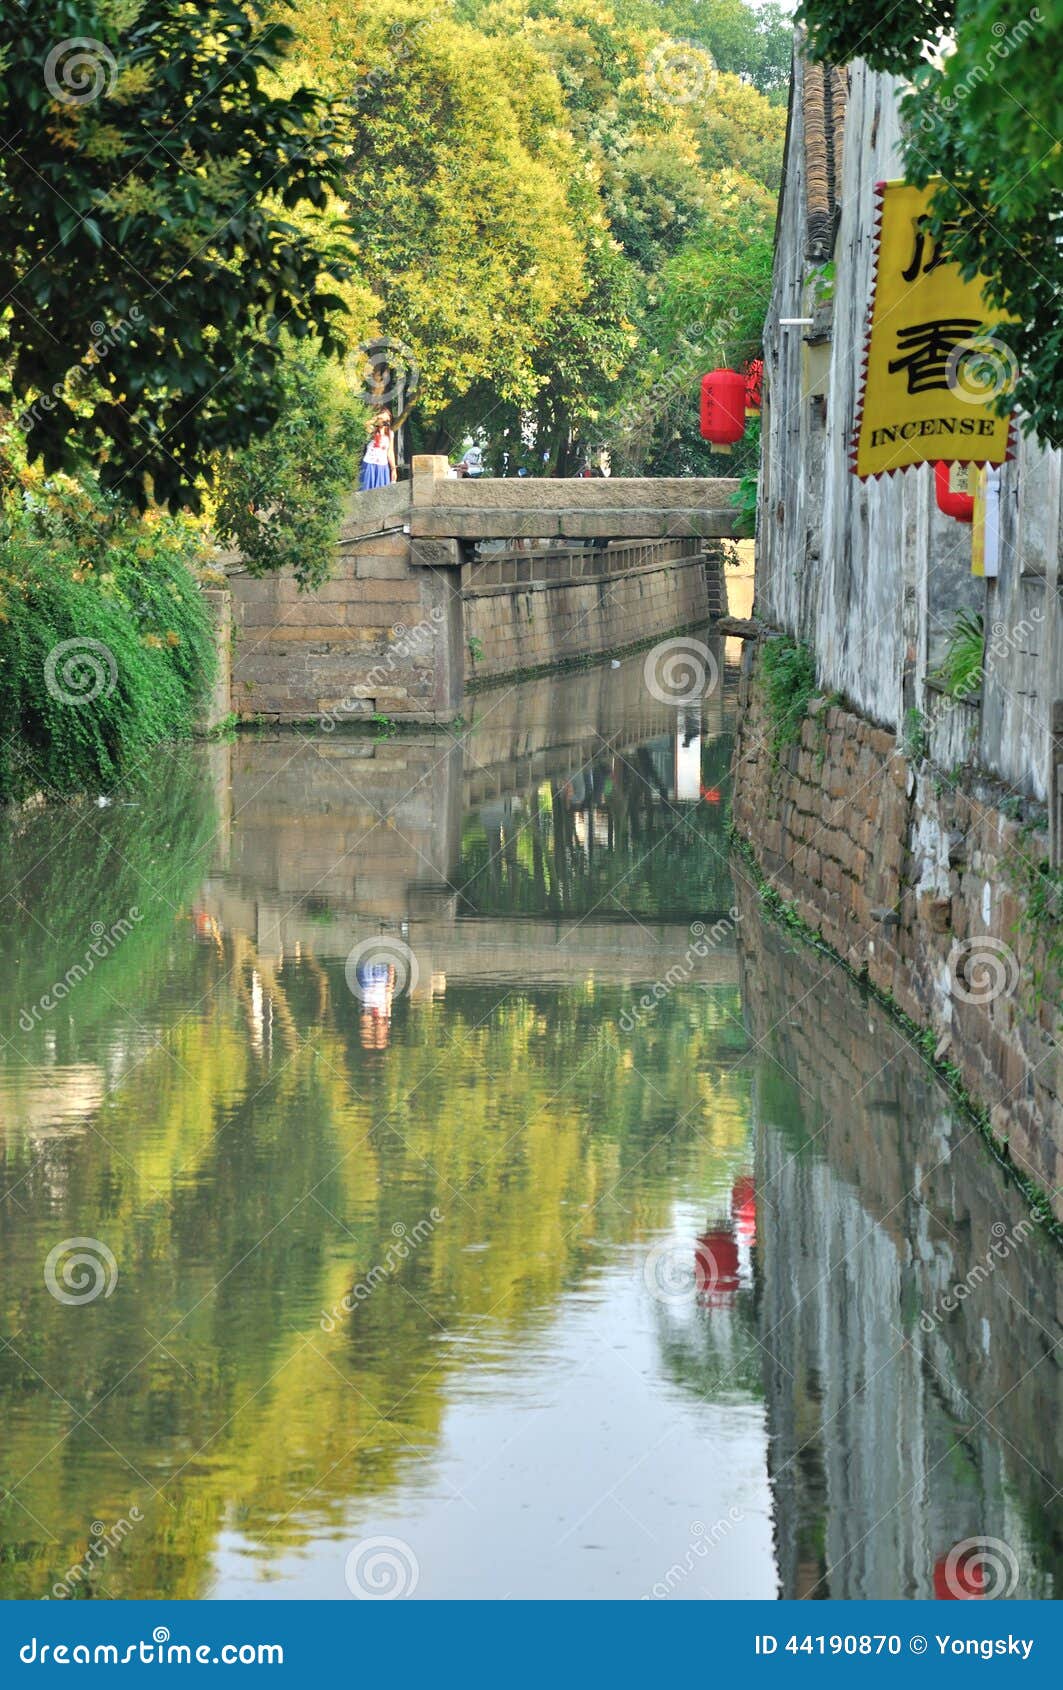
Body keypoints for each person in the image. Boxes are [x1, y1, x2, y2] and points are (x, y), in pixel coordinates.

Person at [359, 409, 396, 491]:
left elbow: (390, 452)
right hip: (369, 465)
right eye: (382, 419)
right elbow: (365, 424)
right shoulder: (372, 430)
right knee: (365, 491)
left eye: (387, 420)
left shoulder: (390, 434)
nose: (384, 421)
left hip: (382, 467)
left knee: (381, 493)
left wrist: (393, 469)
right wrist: (378, 417)